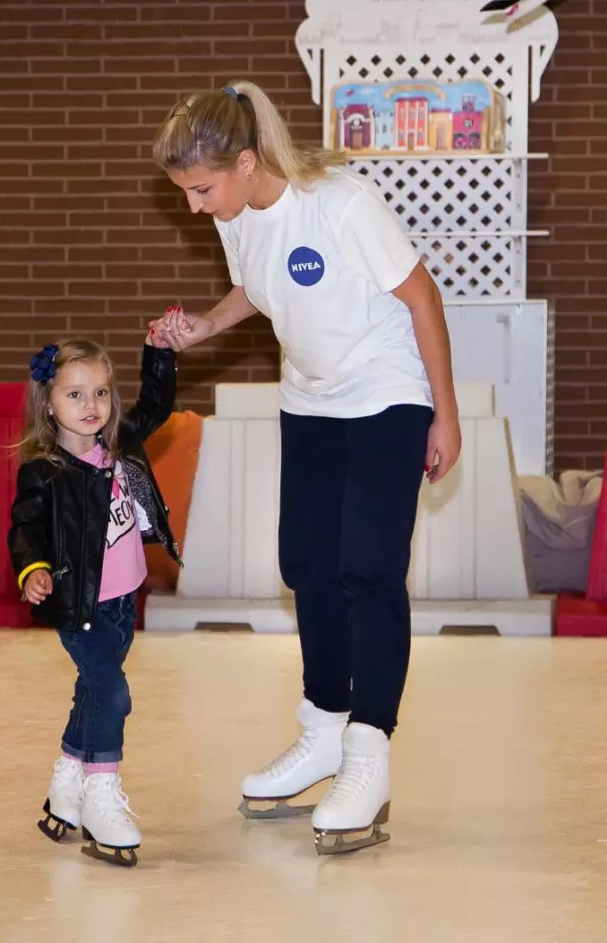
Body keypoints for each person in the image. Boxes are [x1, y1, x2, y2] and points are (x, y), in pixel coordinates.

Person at [151, 80, 461, 856]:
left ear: (248, 161)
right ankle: (323, 731)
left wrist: (445, 415)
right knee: (308, 566)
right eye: (186, 192)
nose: (195, 206)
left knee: (369, 569)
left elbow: (424, 299)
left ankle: (367, 754)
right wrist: (206, 325)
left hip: (388, 392)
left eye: (201, 188)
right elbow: (257, 289)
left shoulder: (342, 205)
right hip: (312, 401)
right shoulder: (238, 216)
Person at [8, 333, 179, 866]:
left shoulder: (122, 443)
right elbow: (25, 529)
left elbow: (158, 403)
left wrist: (160, 353)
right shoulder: (44, 472)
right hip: (79, 607)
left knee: (93, 689)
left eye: (101, 393)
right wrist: (32, 570)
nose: (91, 406)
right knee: (113, 692)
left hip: (124, 600)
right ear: (49, 403)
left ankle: (67, 783)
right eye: (75, 395)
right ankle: (101, 792)